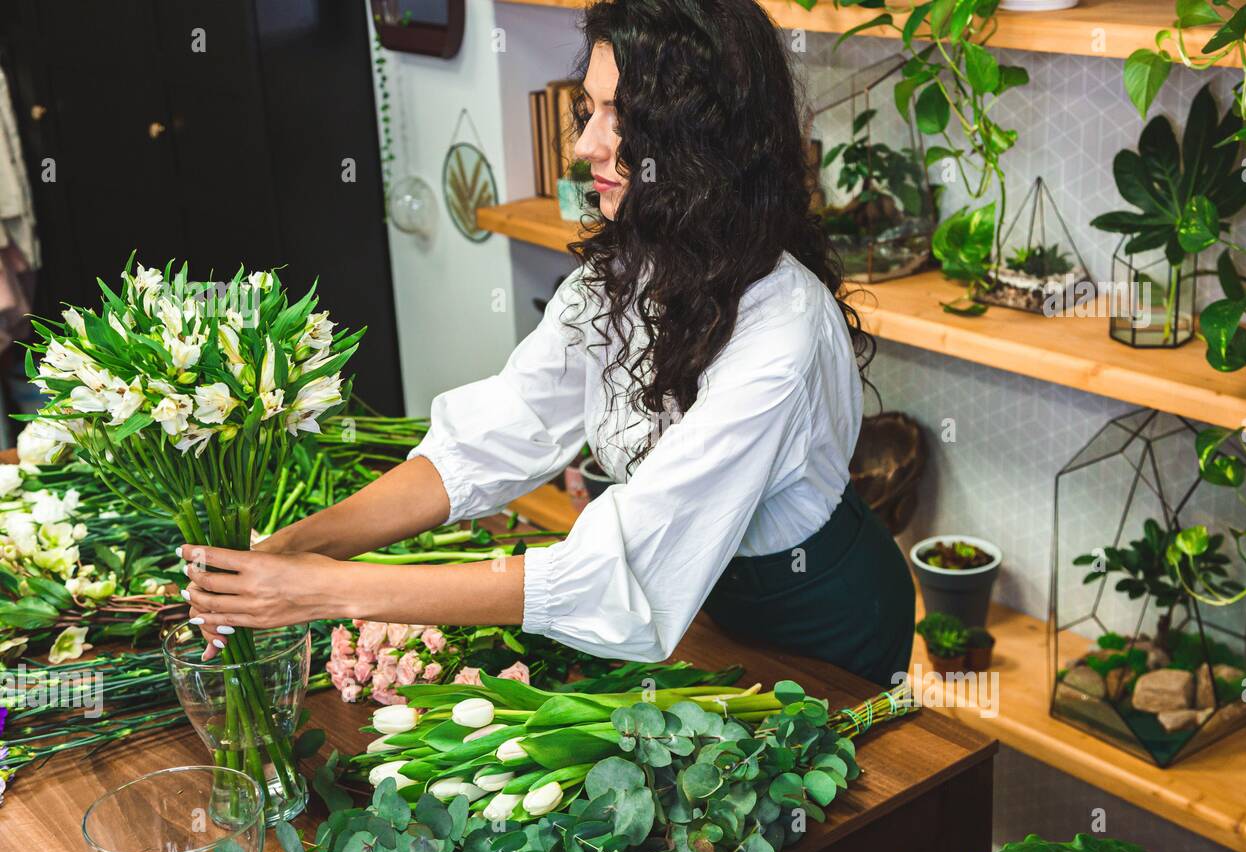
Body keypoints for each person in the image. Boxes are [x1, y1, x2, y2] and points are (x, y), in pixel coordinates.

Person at [181, 0, 915, 685]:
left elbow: (623, 569)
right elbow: (496, 434)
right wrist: (304, 546)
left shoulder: (780, 331)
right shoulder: (635, 268)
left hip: (827, 622)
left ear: (699, 138)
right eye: (587, 108)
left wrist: (329, 592)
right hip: (712, 599)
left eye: (620, 117)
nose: (586, 144)